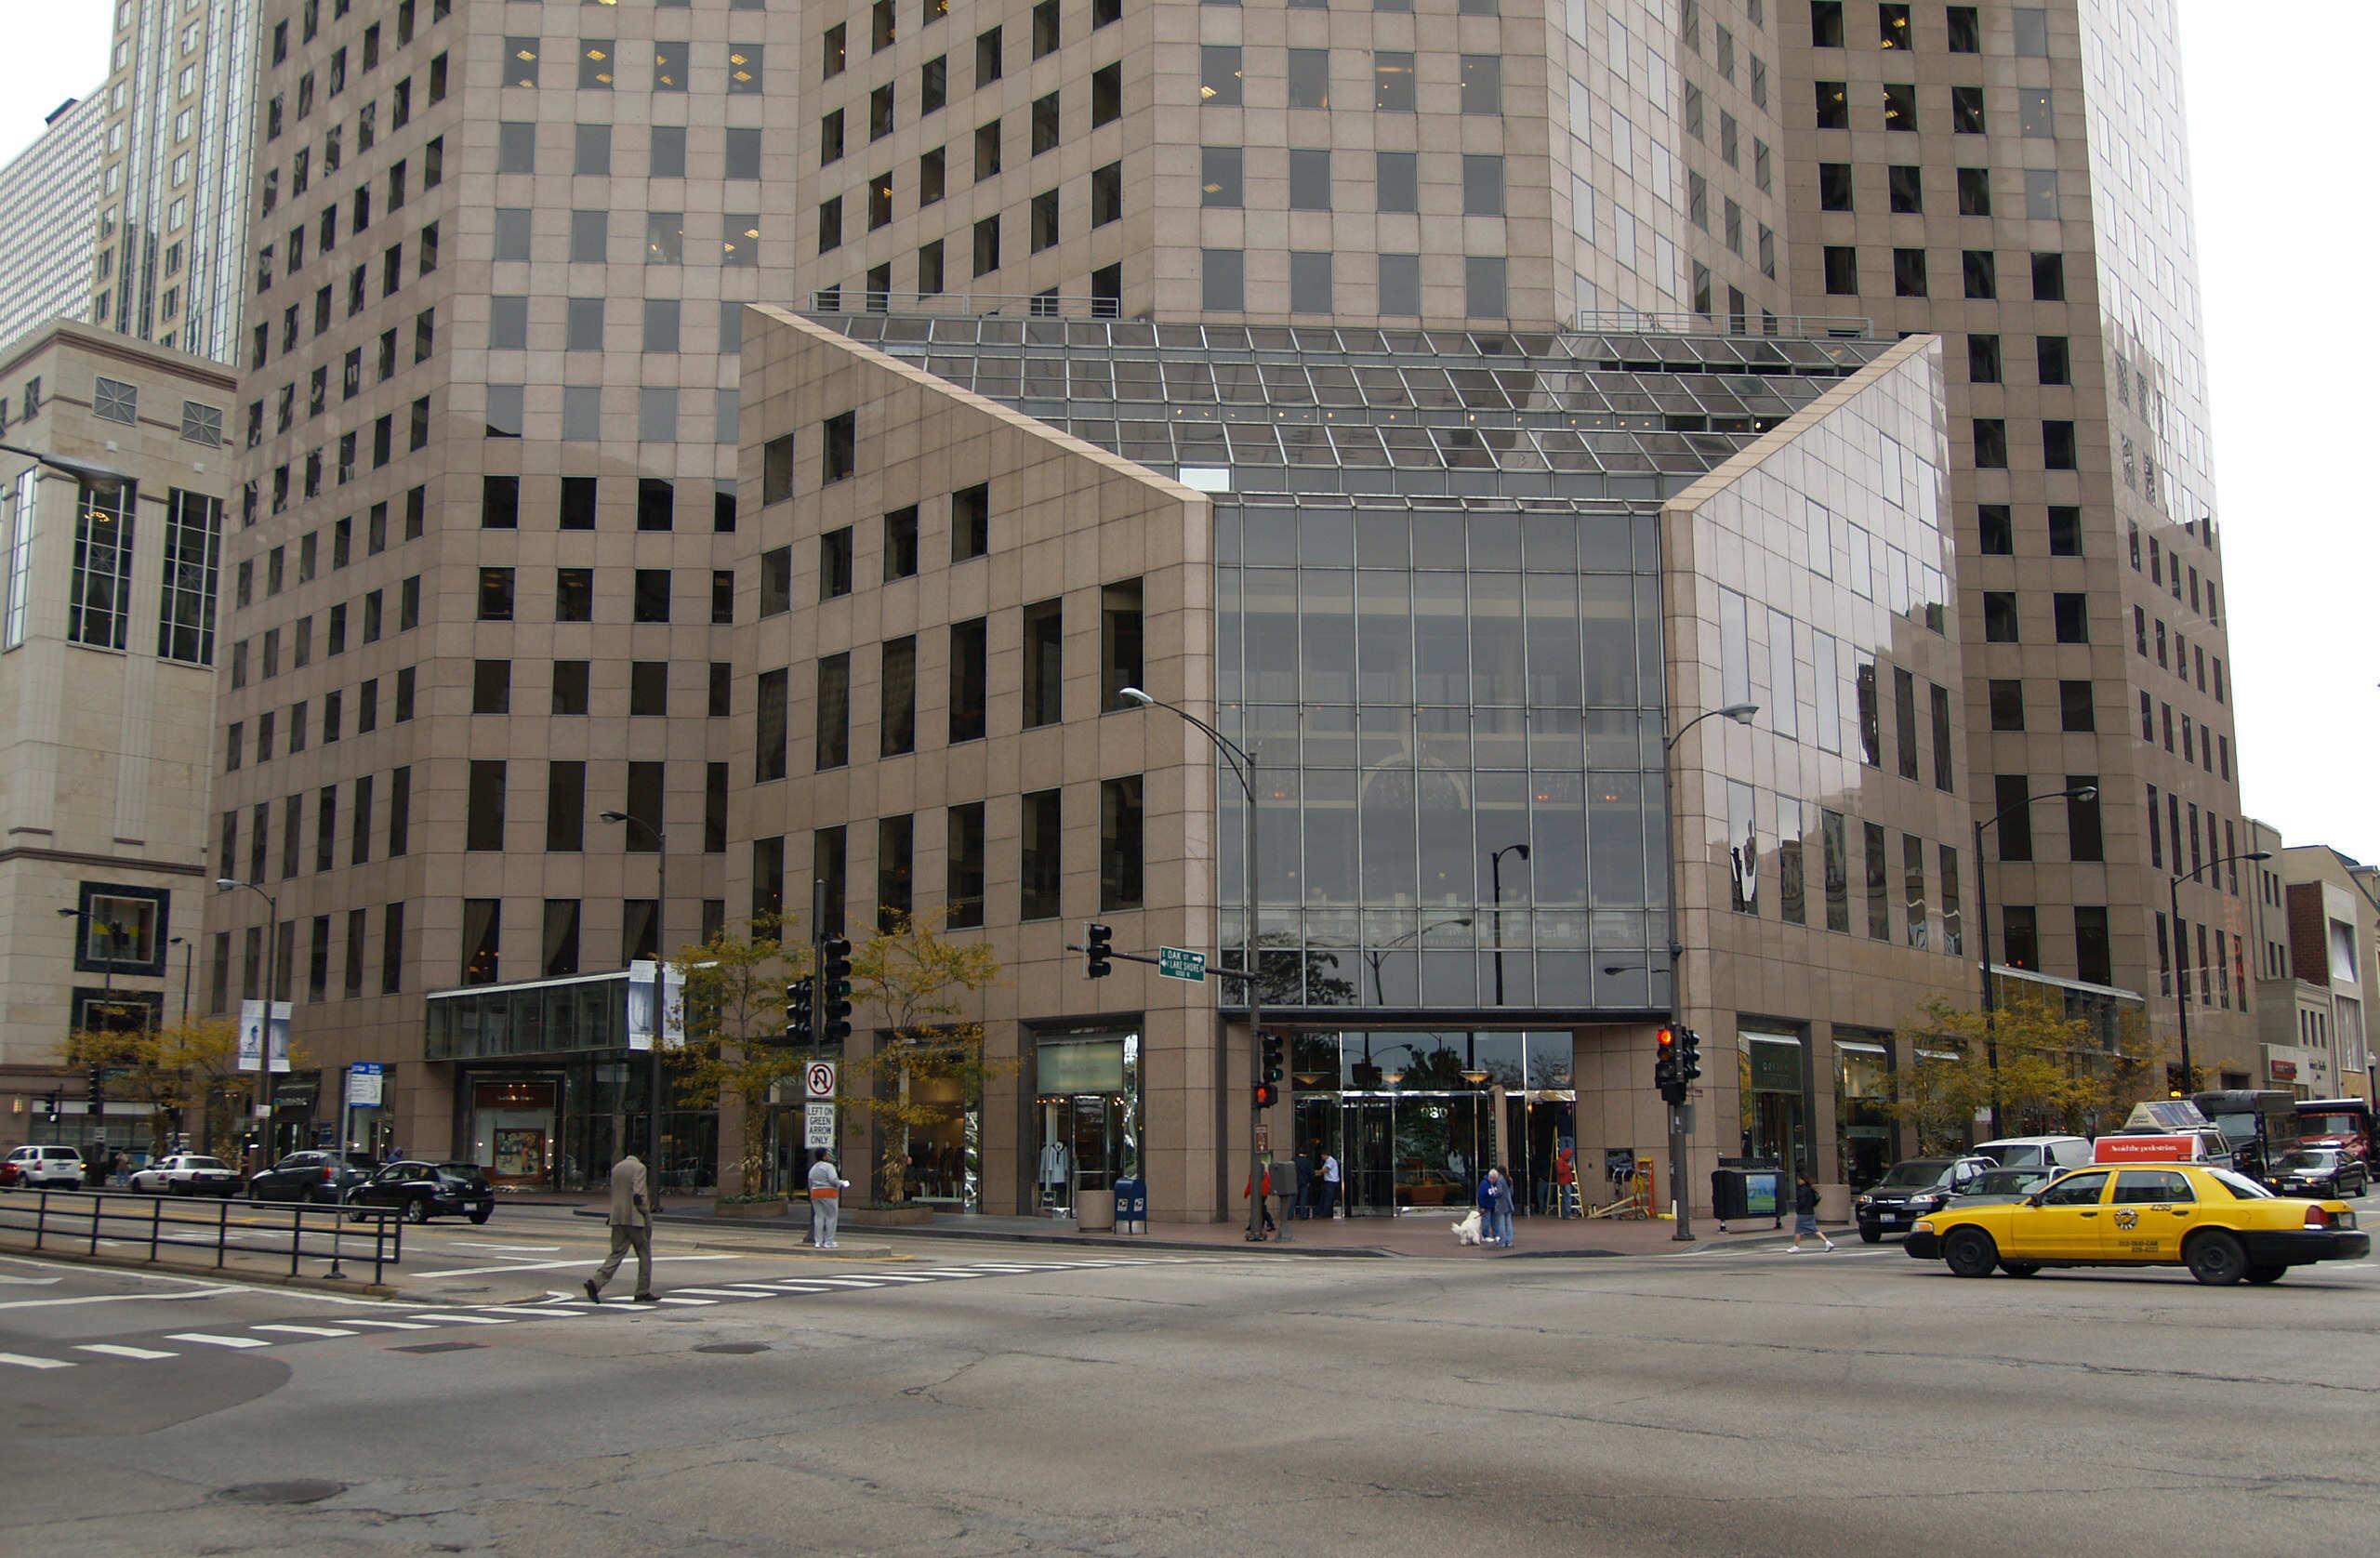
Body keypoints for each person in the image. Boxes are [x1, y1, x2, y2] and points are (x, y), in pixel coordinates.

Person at [584, 1149, 657, 1303]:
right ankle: (642, 1291)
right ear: (642, 1155)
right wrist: (645, 1212)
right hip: (635, 1217)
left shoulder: (617, 1168)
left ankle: (596, 1283)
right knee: (644, 1254)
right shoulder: (640, 1168)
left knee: (616, 1253)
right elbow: (639, 1193)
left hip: (617, 1217)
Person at [809, 1148, 850, 1248]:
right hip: (829, 1193)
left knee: (818, 1217)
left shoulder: (813, 1168)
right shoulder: (829, 1166)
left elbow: (810, 1181)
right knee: (831, 1217)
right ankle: (829, 1241)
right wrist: (842, 1183)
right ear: (824, 1156)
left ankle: (818, 1241)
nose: (828, 1156)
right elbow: (833, 1179)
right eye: (827, 1154)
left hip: (815, 1193)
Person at [1787, 1170, 1834, 1252]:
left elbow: (1802, 1202)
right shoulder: (1810, 1189)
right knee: (1814, 1230)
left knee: (1798, 1230)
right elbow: (1813, 1201)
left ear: (1803, 1180)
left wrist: (1797, 1209)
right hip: (1810, 1212)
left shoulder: (1802, 1190)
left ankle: (1796, 1247)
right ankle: (1827, 1242)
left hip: (1803, 1213)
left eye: (1799, 1179)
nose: (1798, 1181)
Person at [1242, 1163, 1276, 1239]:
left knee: (1258, 1209)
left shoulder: (1253, 1174)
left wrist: (1246, 1193)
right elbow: (1268, 1184)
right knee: (1261, 1208)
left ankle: (1266, 1223)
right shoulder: (1265, 1174)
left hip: (1257, 1193)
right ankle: (1265, 1223)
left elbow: (1250, 1184)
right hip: (1264, 1193)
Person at [1492, 1165, 1516, 1248]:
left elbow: (1499, 1192)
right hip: (1509, 1203)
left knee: (1501, 1224)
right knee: (1509, 1223)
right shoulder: (1509, 1179)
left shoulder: (1499, 1180)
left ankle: (1502, 1242)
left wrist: (1493, 1193)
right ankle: (1509, 1241)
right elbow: (1512, 1192)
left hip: (1501, 1204)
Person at [1291, 1147, 1315, 1221]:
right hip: (1304, 1182)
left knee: (1293, 1199)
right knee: (1303, 1199)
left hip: (1295, 1182)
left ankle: (1290, 1215)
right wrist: (1310, 1181)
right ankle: (1302, 1215)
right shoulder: (1308, 1161)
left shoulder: (1293, 1160)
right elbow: (1311, 1173)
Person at [1317, 1149, 1340, 1220]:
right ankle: (1325, 1213)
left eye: (1322, 1156)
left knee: (1328, 1199)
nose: (1321, 1157)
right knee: (1326, 1198)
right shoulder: (1328, 1161)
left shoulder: (1330, 1161)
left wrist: (1314, 1172)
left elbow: (1325, 1170)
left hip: (1331, 1182)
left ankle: (1326, 1214)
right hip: (1329, 1182)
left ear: (1325, 1155)